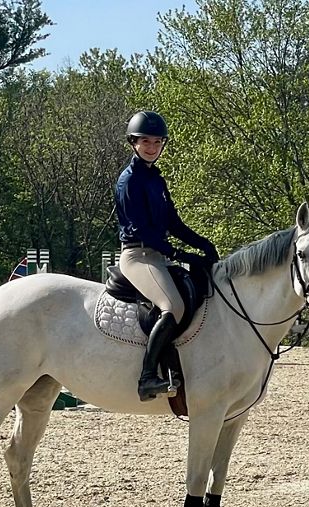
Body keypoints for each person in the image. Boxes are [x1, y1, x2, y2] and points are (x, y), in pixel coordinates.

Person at [114, 110, 220, 401]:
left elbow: (173, 223)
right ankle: (147, 377)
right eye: (145, 141)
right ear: (133, 142)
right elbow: (141, 230)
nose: (152, 147)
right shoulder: (130, 181)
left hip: (158, 256)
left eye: (157, 142)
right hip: (138, 255)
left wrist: (203, 244)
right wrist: (179, 253)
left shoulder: (155, 179)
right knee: (172, 305)